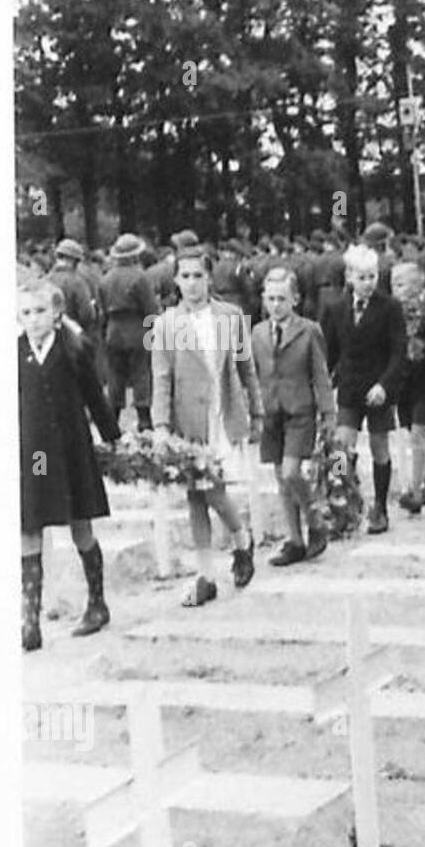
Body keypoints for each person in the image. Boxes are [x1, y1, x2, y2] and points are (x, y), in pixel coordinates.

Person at [150, 245, 262, 606]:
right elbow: (162, 378)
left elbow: (246, 369)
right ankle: (206, 574)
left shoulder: (230, 316)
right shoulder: (166, 323)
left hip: (221, 414)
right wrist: (162, 425)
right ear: (176, 281)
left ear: (209, 277)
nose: (192, 283)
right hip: (188, 420)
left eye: (198, 275)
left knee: (212, 489)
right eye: (185, 276)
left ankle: (242, 540)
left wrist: (255, 411)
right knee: (195, 496)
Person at [19, 281, 122, 649]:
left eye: (40, 311)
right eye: (26, 313)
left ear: (57, 313)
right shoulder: (14, 353)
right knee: (31, 521)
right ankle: (29, 620)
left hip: (72, 450)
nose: (33, 320)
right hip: (38, 455)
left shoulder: (74, 349)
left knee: (80, 521)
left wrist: (114, 437)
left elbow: (95, 397)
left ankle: (97, 602)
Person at [251, 265, 335, 565]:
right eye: (271, 298)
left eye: (282, 299)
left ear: (295, 299)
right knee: (280, 480)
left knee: (291, 472)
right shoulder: (257, 333)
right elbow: (253, 374)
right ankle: (295, 540)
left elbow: (321, 375)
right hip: (271, 413)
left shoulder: (309, 330)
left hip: (300, 410)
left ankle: (315, 520)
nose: (276, 305)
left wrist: (328, 414)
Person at [321, 243, 406, 533]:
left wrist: (385, 384)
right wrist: (323, 387)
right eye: (362, 277)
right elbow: (328, 353)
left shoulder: (390, 308)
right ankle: (342, 502)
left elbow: (399, 351)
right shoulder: (334, 309)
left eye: (373, 276)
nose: (369, 283)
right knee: (340, 449)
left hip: (378, 389)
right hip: (349, 388)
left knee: (379, 447)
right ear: (349, 277)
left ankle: (380, 507)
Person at [392, 261, 425, 512]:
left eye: (402, 284)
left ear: (419, 285)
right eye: (394, 284)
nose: (397, 289)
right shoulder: (391, 312)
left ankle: (414, 493)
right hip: (403, 380)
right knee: (413, 433)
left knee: (417, 434)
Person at [98, 232, 158, 429]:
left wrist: (105, 332)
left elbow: (101, 311)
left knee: (115, 375)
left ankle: (111, 420)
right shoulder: (140, 277)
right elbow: (150, 308)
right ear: (135, 255)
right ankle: (144, 419)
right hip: (137, 329)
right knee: (141, 373)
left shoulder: (105, 279)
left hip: (113, 331)